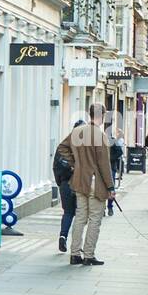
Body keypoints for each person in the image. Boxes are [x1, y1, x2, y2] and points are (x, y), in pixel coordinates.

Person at [68, 104, 116, 266]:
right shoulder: (100, 135)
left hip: (80, 180)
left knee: (80, 216)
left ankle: (74, 254)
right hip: (95, 182)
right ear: (101, 116)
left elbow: (62, 149)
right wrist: (110, 186)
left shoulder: (77, 131)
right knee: (95, 218)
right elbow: (104, 164)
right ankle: (88, 255)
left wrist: (75, 165)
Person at [54, 125, 78, 253]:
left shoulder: (62, 147)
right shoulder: (83, 148)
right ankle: (76, 243)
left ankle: (63, 236)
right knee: (80, 214)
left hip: (65, 184)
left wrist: (60, 183)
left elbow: (55, 167)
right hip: (78, 184)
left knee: (68, 212)